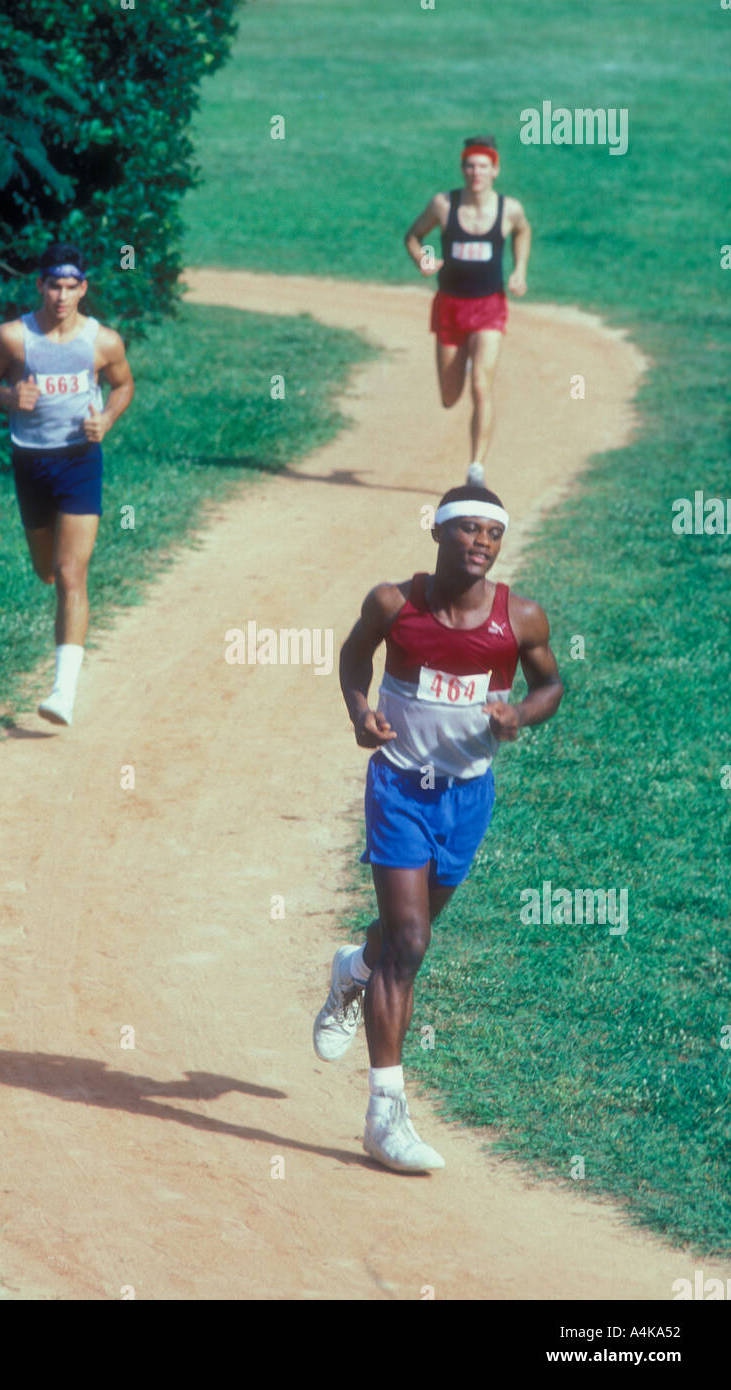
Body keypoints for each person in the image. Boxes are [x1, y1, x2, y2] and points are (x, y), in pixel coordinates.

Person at [314, 483, 563, 1172]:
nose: (480, 543)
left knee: (404, 936)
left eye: (492, 533)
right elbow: (351, 657)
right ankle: (385, 1118)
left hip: (467, 795)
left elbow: (551, 686)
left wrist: (522, 715)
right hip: (399, 786)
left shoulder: (522, 619)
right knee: (413, 940)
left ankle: (351, 969)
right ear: (438, 533)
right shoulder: (396, 605)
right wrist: (359, 711)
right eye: (467, 530)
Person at [0, 242, 134, 725]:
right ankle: (63, 669)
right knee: (46, 571)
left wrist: (105, 419)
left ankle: (63, 692)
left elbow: (124, 384)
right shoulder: (14, 338)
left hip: (81, 462)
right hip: (31, 465)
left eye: (71, 287)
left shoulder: (104, 342)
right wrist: (5, 395)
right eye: (53, 286)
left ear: (83, 288)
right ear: (40, 285)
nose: (61, 296)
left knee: (69, 575)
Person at [404, 136, 531, 485]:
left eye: (483, 166)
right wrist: (424, 259)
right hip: (449, 307)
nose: (476, 173)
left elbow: (523, 231)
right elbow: (413, 236)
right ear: (463, 170)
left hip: (490, 307)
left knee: (480, 386)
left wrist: (520, 269)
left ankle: (476, 468)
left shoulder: (509, 210)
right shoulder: (444, 205)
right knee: (449, 396)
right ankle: (468, 357)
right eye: (470, 166)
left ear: (495, 170)